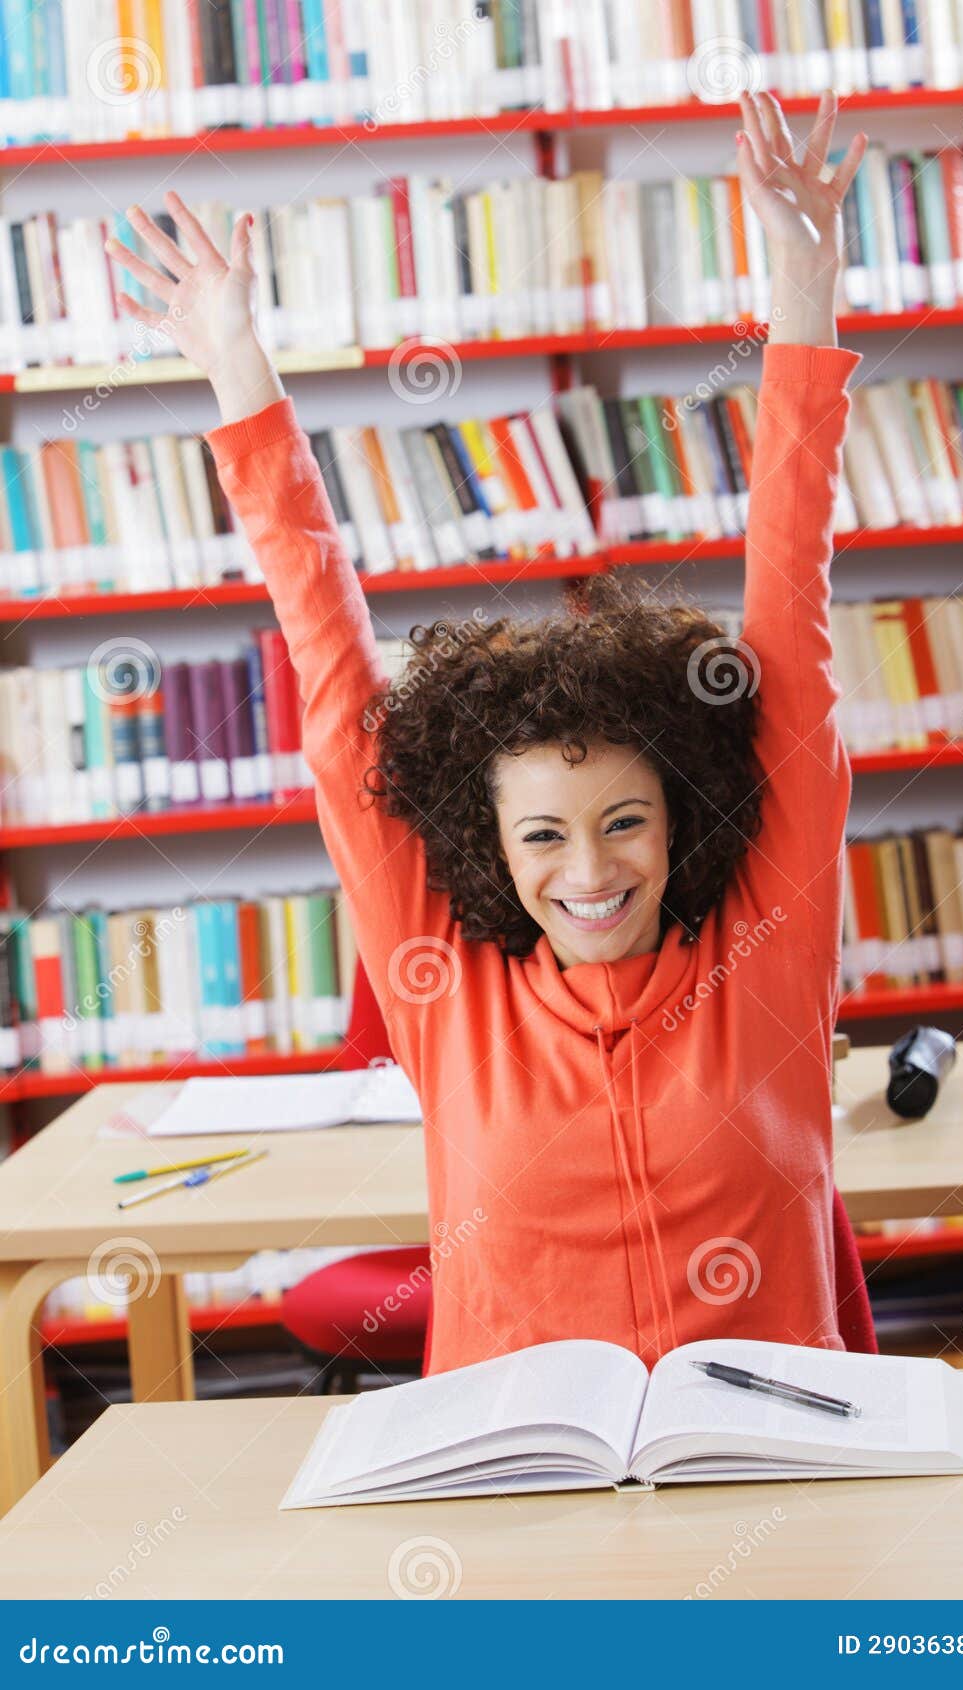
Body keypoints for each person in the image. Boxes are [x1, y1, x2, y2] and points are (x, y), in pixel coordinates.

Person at [107, 90, 868, 1374]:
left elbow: (792, 616)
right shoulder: (448, 994)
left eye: (624, 820)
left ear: (680, 817)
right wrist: (240, 372)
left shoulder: (766, 955)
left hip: (761, 1459)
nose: (591, 869)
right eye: (545, 835)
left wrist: (804, 290)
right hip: (520, 1471)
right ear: (489, 845)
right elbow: (338, 688)